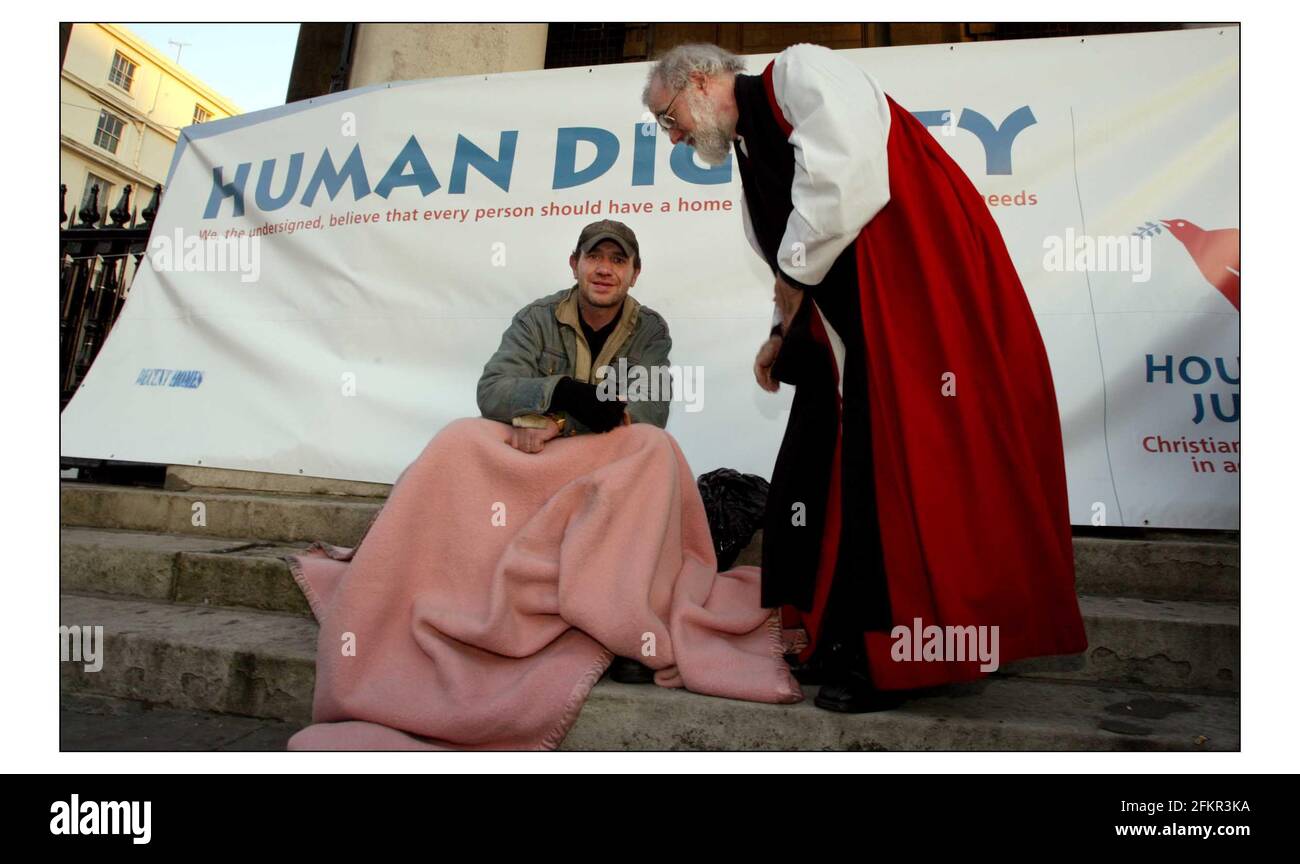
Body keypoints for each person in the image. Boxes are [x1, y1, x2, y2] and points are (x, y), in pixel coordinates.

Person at [641, 43, 1087, 712]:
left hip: (918, 301)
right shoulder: (748, 155)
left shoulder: (799, 73)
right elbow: (793, 259)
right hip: (857, 325)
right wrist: (779, 334)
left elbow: (846, 183)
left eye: (665, 114)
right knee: (817, 468)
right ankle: (840, 634)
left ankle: (908, 654)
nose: (669, 134)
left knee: (912, 463)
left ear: (700, 80)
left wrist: (792, 289)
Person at [477, 218, 673, 682]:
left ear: (634, 274)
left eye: (618, 261)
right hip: (540, 470)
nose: (605, 270)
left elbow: (647, 411)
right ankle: (481, 598)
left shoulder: (651, 331)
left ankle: (625, 623)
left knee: (653, 448)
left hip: (607, 474)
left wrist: (557, 421)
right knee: (464, 438)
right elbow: (491, 392)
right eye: (595, 258)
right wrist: (559, 390)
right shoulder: (535, 318)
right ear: (575, 264)